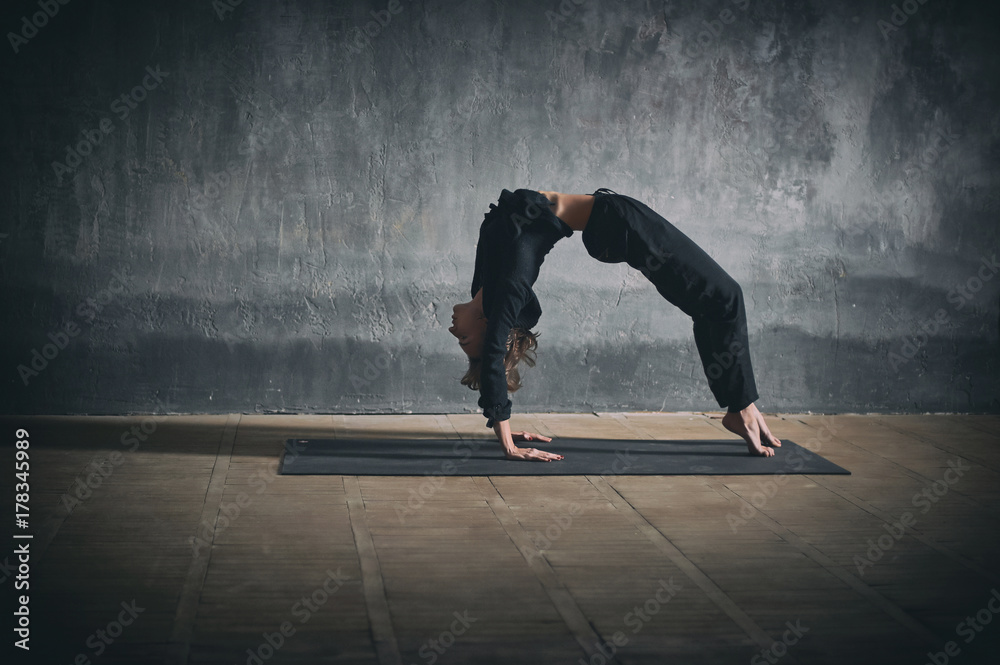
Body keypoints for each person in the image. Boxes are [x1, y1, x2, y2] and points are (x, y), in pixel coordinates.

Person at [448, 188, 782, 462]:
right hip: (621, 225)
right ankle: (742, 408)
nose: (452, 330)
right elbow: (494, 352)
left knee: (714, 304)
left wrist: (500, 425)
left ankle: (741, 406)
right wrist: (508, 443)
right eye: (463, 338)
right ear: (486, 323)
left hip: (613, 219)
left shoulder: (483, 284)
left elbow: (493, 355)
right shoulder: (508, 289)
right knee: (725, 297)